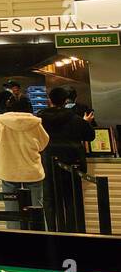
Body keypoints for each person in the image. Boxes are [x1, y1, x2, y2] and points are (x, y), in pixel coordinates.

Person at [0, 95, 49, 227]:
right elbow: (43, 143)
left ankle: (14, 242)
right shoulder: (35, 123)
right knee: (37, 211)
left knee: (12, 214)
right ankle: (41, 241)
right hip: (32, 171)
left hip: (9, 171)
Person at [38, 87, 96, 232]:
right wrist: (86, 122)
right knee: (71, 200)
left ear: (49, 100)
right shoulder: (75, 119)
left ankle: (52, 233)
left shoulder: (38, 120)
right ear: (66, 101)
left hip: (47, 163)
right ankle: (73, 234)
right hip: (72, 163)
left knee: (49, 200)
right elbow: (90, 136)